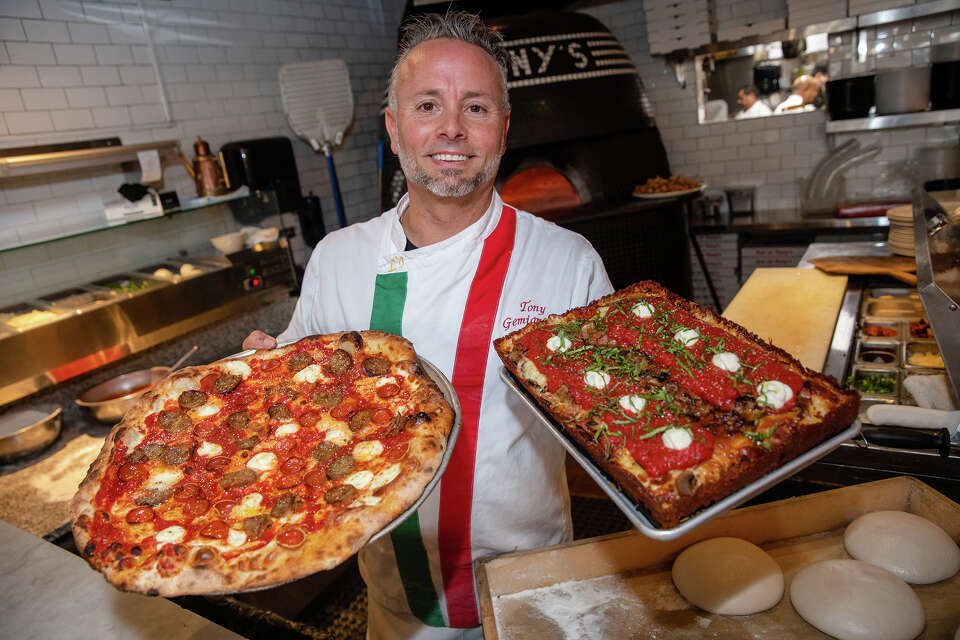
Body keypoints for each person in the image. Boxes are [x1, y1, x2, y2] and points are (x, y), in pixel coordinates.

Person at [243, 11, 612, 640]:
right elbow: (294, 410)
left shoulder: (567, 262)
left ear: (503, 129)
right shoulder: (337, 259)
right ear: (393, 128)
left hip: (537, 586)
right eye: (427, 105)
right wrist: (256, 388)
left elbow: (612, 429)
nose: (451, 129)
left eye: (476, 108)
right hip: (396, 602)